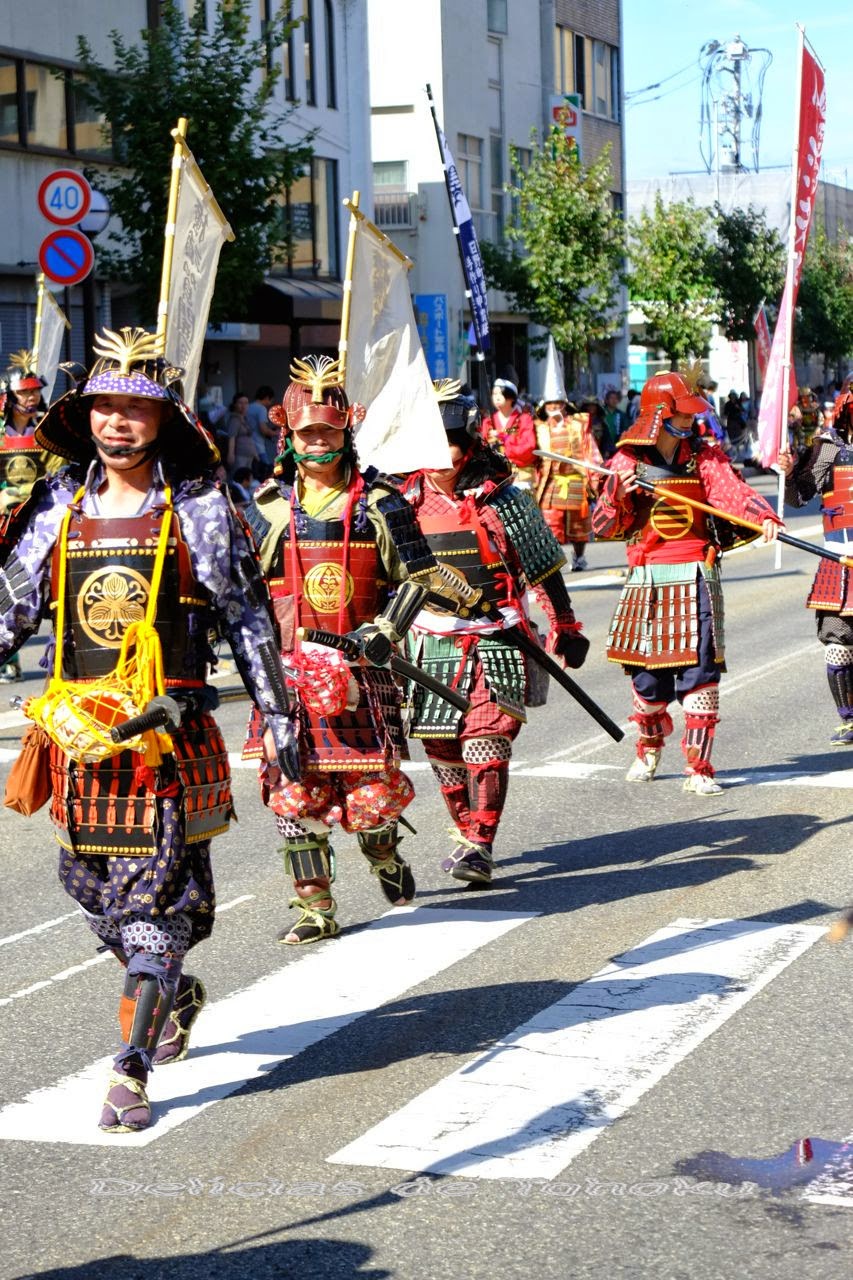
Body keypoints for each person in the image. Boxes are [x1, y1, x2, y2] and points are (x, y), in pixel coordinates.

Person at [0, 326, 295, 1134]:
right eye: (106, 408)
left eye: (137, 408)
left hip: (167, 738)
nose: (119, 423)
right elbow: (10, 610)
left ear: (165, 421)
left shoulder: (201, 507)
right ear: (84, 415)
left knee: (152, 909)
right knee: (94, 895)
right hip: (79, 742)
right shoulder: (58, 505)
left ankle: (128, 1071)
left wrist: (278, 715)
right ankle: (168, 988)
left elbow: (249, 617)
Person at [243, 354, 442, 945]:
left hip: (360, 668)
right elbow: (244, 589)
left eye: (329, 430)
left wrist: (387, 628)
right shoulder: (268, 507)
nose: (319, 442)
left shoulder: (383, 503)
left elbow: (419, 577)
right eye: (308, 433)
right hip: (287, 675)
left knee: (370, 800)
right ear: (289, 433)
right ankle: (314, 908)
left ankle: (384, 854)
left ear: (346, 429)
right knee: (291, 796)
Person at [400, 382, 588, 884]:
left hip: (494, 636)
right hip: (429, 639)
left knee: (486, 739)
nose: (439, 459)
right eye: (428, 449)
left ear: (469, 445)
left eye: (449, 447)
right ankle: (465, 832)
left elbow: (544, 567)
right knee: (441, 747)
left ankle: (481, 839)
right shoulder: (401, 502)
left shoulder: (504, 500)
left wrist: (564, 625)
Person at [591, 371, 782, 795]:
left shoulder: (703, 456)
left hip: (697, 573)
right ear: (659, 415)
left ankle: (700, 767)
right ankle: (648, 745)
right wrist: (616, 495)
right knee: (648, 683)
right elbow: (603, 525)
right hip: (647, 578)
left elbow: (731, 492)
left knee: (700, 675)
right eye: (681, 416)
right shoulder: (626, 461)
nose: (689, 424)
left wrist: (762, 515)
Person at [779, 390, 853, 743]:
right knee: (838, 643)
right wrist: (790, 472)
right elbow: (798, 497)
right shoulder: (829, 447)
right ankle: (848, 718)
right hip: (841, 561)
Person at [0, 351, 50, 682]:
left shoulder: (47, 428)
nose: (30, 398)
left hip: (39, 517)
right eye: (23, 392)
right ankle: (9, 658)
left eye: (34, 391)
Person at [534, 396, 603, 570]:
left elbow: (590, 449)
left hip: (576, 480)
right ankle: (553, 561)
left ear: (565, 406)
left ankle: (579, 557)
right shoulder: (539, 428)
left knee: (578, 526)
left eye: (557, 402)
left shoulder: (578, 425)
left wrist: (594, 477)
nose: (554, 405)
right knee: (550, 524)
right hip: (551, 481)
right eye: (550, 403)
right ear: (544, 407)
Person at [480, 377, 537, 488]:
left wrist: (505, 439)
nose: (496, 398)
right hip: (495, 476)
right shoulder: (488, 422)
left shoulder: (523, 419)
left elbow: (529, 447)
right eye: (494, 394)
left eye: (500, 394)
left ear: (511, 397)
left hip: (521, 474)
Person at [246, 384, 278, 480]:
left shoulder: (248, 407)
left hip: (247, 445)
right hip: (259, 447)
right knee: (266, 473)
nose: (270, 403)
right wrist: (276, 433)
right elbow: (263, 430)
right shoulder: (261, 409)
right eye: (271, 400)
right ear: (267, 398)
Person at [224, 390, 258, 477]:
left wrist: (255, 453)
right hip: (239, 456)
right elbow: (232, 437)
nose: (243, 406)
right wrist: (231, 454)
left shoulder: (245, 419)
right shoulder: (234, 420)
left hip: (249, 456)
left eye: (246, 403)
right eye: (240, 403)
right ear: (235, 404)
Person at [788, 386, 824, 453]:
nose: (805, 399)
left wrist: (819, 428)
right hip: (800, 438)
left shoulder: (815, 408)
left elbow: (820, 420)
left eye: (807, 397)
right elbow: (790, 422)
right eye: (803, 397)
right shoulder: (796, 409)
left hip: (813, 436)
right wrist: (794, 421)